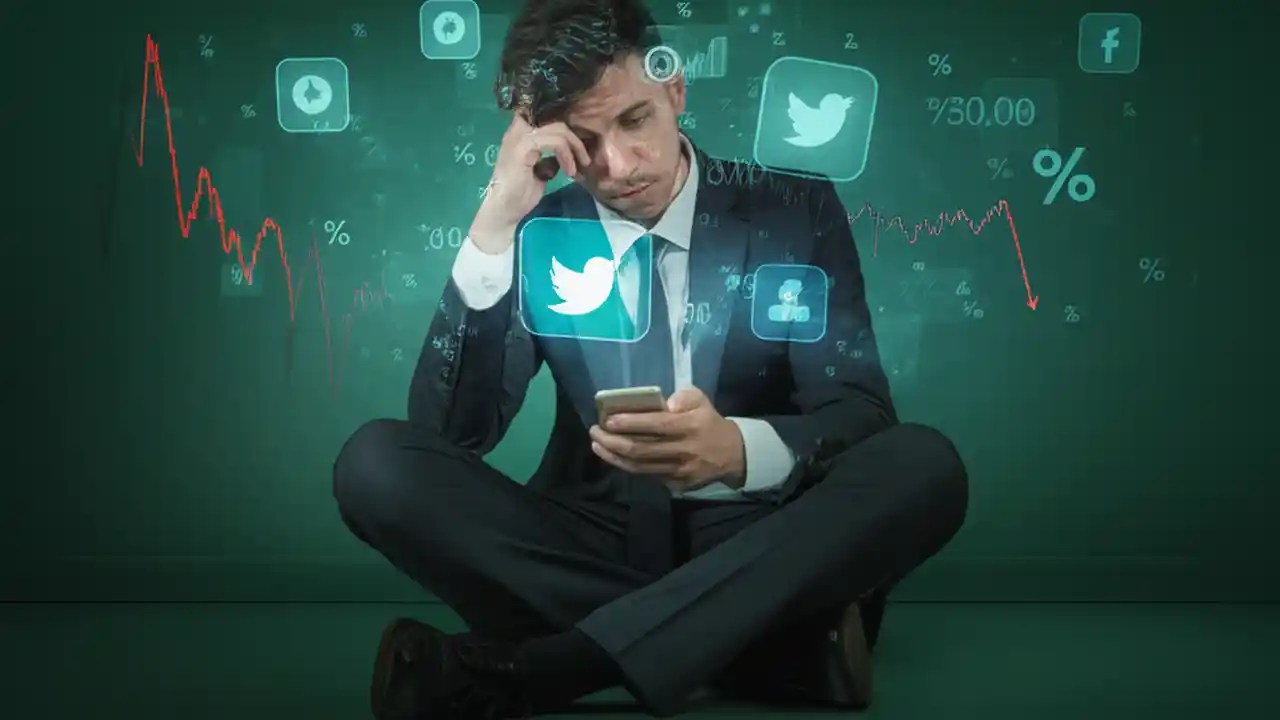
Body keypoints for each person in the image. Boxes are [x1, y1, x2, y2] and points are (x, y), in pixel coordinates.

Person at [331, 0, 968, 717]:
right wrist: (493, 223)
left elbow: (859, 412)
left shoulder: (797, 209)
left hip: (764, 532)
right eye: (582, 140)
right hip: (590, 536)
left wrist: (736, 450)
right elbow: (449, 436)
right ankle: (771, 651)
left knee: (925, 465)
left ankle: (552, 666)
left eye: (635, 120)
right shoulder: (541, 232)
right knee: (375, 464)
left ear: (675, 90)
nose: (618, 166)